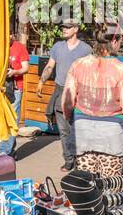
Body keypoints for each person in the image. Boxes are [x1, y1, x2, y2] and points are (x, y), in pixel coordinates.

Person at [61, 27, 123, 176]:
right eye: (120, 41)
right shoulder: (122, 69)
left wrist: (71, 119)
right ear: (114, 41)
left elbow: (67, 102)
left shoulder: (78, 64)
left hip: (82, 132)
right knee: (110, 188)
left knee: (86, 187)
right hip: (112, 135)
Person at [39, 19, 91, 172]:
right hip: (60, 90)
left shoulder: (86, 49)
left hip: (79, 92)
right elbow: (50, 66)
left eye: (67, 27)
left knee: (78, 128)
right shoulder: (57, 47)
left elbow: (89, 71)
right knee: (63, 131)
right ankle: (68, 160)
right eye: (63, 27)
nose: (64, 29)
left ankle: (80, 159)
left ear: (76, 29)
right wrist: (41, 81)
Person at [0, 32, 30, 156]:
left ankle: (4, 152)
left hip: (16, 88)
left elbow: (26, 68)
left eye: (8, 35)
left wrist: (14, 72)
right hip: (1, 88)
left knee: (12, 119)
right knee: (4, 118)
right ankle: (10, 150)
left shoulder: (20, 47)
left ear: (12, 35)